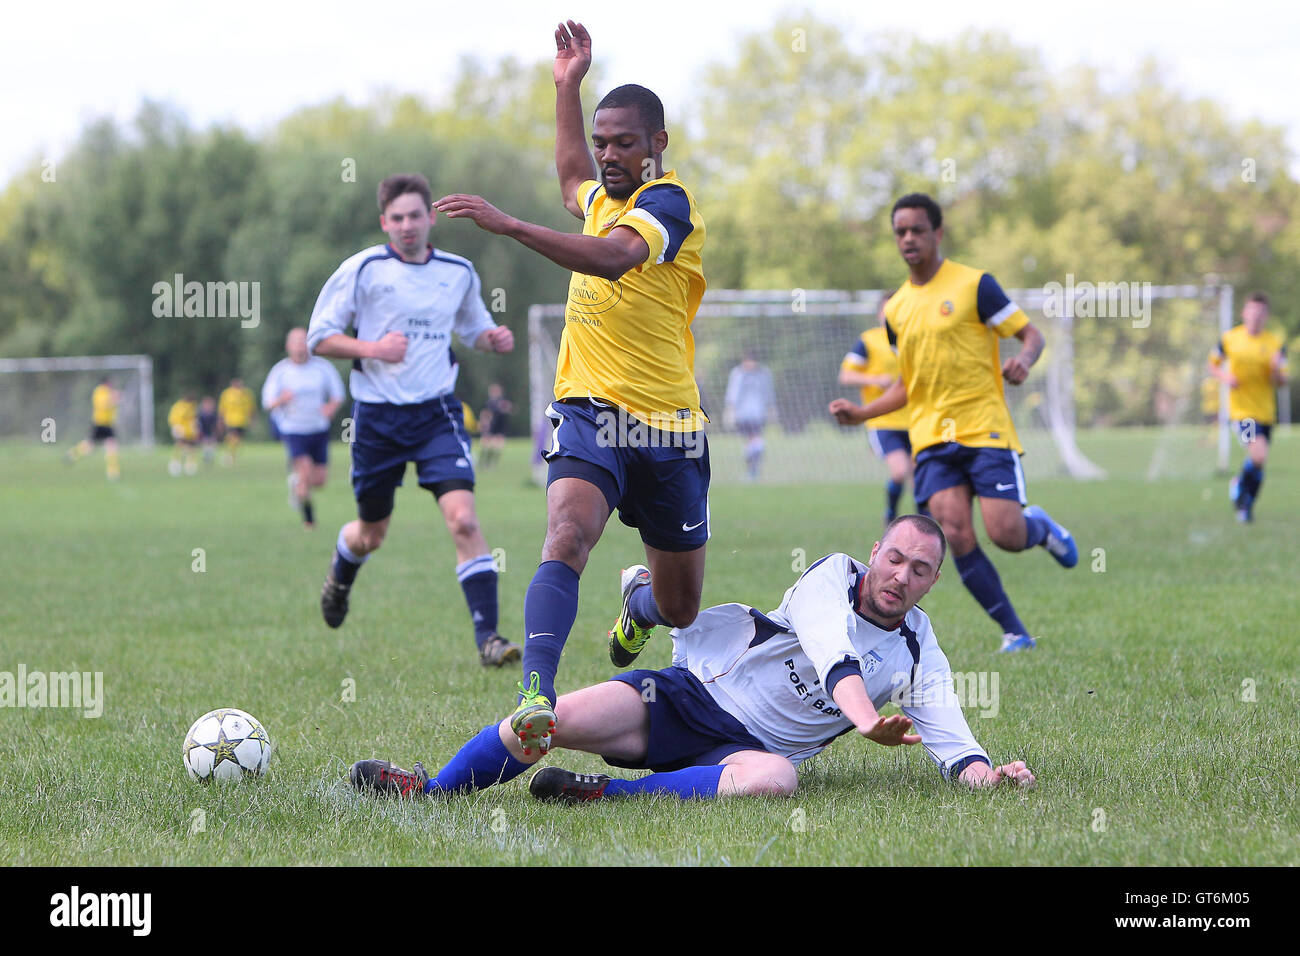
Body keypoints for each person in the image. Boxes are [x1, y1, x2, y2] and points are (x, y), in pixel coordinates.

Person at [429, 19, 709, 753]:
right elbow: (569, 178)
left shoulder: (669, 205)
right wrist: (565, 86)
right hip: (588, 408)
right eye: (601, 140)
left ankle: (639, 605)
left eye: (623, 142)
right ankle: (537, 694)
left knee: (681, 607)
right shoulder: (600, 198)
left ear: (657, 144)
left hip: (668, 426)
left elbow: (612, 259)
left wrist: (510, 227)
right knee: (566, 535)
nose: (608, 154)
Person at [349, 515, 1037, 801]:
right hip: (686, 696)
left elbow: (949, 732)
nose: (901, 577)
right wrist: (864, 719)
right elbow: (834, 651)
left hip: (746, 752)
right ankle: (430, 792)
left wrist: (987, 773)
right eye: (895, 559)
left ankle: (601, 795)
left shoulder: (918, 646)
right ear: (875, 553)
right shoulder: (831, 575)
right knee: (544, 722)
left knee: (777, 780)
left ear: (931, 583)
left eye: (920, 570)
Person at [829, 194, 1076, 654]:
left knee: (1006, 534)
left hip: (984, 429)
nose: (908, 238)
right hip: (930, 439)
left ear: (937, 233)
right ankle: (1015, 633)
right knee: (957, 535)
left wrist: (1023, 360)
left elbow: (1031, 334)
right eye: (900, 231)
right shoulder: (896, 310)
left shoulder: (975, 286)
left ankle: (1040, 528)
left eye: (917, 230)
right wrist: (861, 413)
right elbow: (910, 383)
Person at [307, 173, 519, 668]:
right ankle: (341, 574)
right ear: (384, 222)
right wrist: (372, 348)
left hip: (436, 414)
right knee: (371, 533)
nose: (407, 225)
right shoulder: (363, 269)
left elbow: (473, 327)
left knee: (464, 519)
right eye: (397, 218)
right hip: (377, 420)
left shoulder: (458, 272)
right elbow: (319, 338)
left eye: (415, 216)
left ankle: (489, 639)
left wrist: (490, 339)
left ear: (430, 219)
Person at [1208, 291, 1289, 522]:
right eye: (1252, 311)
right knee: (1258, 453)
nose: (1256, 316)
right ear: (1244, 313)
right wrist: (1226, 377)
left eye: (1261, 312)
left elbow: (1283, 381)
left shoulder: (1274, 344)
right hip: (1241, 412)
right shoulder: (1230, 339)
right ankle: (1241, 494)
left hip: (1266, 412)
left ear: (1266, 316)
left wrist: (1275, 370)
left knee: (1259, 462)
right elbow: (1212, 365)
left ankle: (1245, 503)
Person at [839, 291, 913, 522]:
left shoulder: (914, 338)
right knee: (900, 472)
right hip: (884, 420)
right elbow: (846, 375)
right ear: (879, 313)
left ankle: (924, 528)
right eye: (887, 310)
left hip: (917, 421)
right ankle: (891, 514)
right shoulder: (869, 340)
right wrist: (875, 379)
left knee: (922, 481)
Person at [262, 328, 345, 529]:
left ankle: (296, 483)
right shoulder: (281, 371)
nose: (300, 346)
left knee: (319, 481)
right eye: (296, 342)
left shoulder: (322, 368)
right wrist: (282, 399)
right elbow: (267, 403)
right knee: (305, 472)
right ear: (288, 346)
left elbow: (338, 395)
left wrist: (330, 408)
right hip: (294, 430)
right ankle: (309, 520)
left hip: (318, 428)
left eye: (304, 341)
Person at [723, 351, 776, 480]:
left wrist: (771, 409)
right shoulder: (738, 373)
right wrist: (730, 410)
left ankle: (753, 470)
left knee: (755, 438)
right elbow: (732, 392)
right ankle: (752, 469)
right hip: (742, 414)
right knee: (749, 441)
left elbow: (768, 392)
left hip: (758, 413)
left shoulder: (763, 374)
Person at [65, 376, 121, 480]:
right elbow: (103, 405)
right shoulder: (99, 391)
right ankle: (73, 454)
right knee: (89, 446)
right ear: (106, 383)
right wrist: (114, 398)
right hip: (100, 423)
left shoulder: (110, 392)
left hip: (109, 424)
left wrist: (116, 399)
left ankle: (112, 471)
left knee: (111, 446)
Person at [218, 377, 256, 466]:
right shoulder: (227, 394)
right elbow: (222, 408)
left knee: (236, 439)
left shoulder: (246, 394)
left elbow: (251, 407)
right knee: (233, 437)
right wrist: (221, 419)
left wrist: (252, 419)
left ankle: (231, 453)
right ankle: (230, 455)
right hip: (231, 420)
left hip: (242, 420)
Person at [477, 382, 514, 469]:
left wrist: (507, 408)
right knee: (486, 445)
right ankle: (483, 461)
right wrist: (484, 423)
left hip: (500, 427)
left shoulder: (503, 401)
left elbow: (510, 409)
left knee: (498, 446)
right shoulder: (489, 403)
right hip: (491, 427)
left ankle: (491, 462)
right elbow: (485, 414)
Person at [167, 393, 200, 476]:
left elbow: (193, 420)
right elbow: (173, 419)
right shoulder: (178, 406)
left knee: (191, 448)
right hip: (181, 430)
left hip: (189, 431)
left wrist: (195, 430)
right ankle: (175, 464)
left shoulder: (192, 407)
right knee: (180, 445)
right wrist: (177, 429)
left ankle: (190, 465)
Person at [197, 395, 219, 465]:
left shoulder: (213, 415)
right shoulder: (201, 415)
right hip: (204, 432)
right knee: (205, 444)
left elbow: (215, 424)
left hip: (211, 432)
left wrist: (216, 430)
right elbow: (199, 424)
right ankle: (206, 457)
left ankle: (210, 457)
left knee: (212, 444)